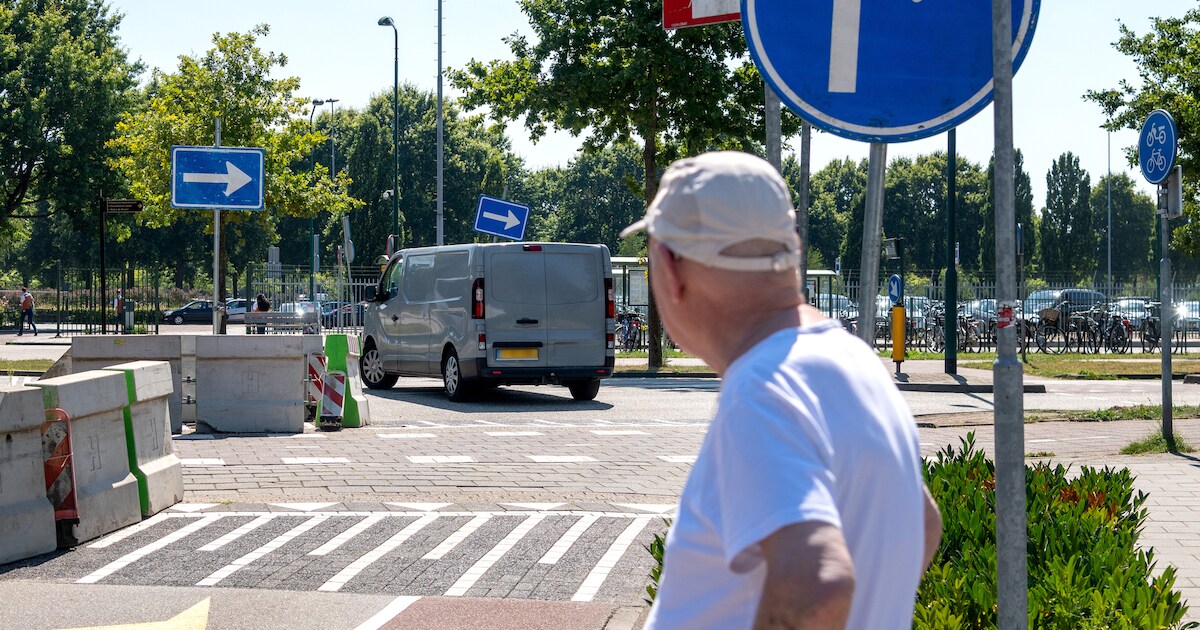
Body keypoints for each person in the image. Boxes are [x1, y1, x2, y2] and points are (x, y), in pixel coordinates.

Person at [621, 151, 941, 629]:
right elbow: (922, 521)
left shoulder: (763, 389)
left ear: (668, 267)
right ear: (789, 250)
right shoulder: (855, 363)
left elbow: (817, 590)